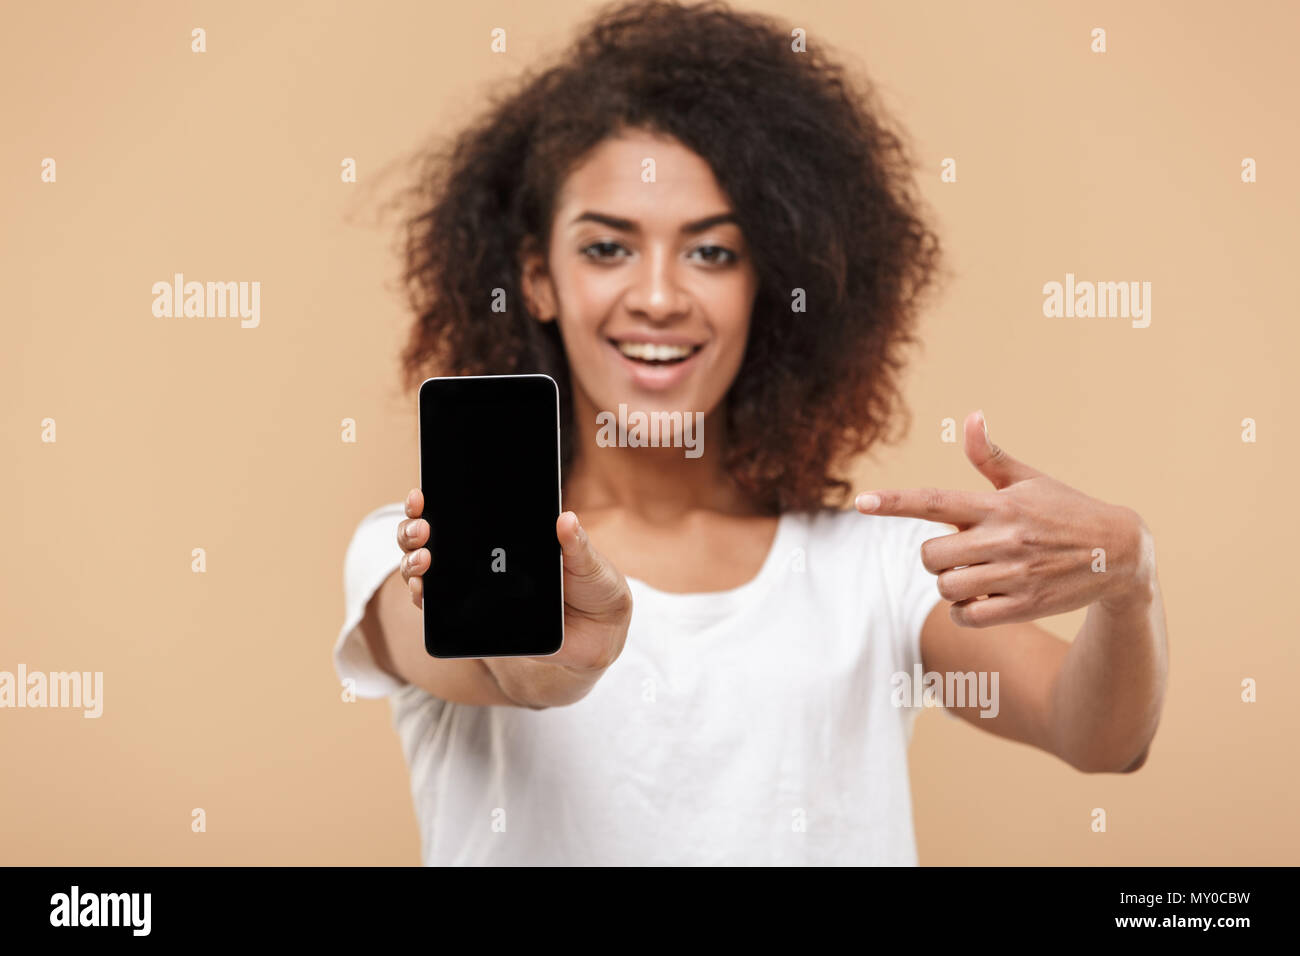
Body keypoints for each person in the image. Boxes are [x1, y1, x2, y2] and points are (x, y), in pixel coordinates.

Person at [333, 0, 1167, 865]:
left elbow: (1097, 736)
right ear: (538, 279)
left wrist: (1128, 576)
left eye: (712, 253)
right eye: (607, 248)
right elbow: (512, 670)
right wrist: (568, 656)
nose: (658, 296)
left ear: (771, 282)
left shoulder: (875, 567)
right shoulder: (417, 555)